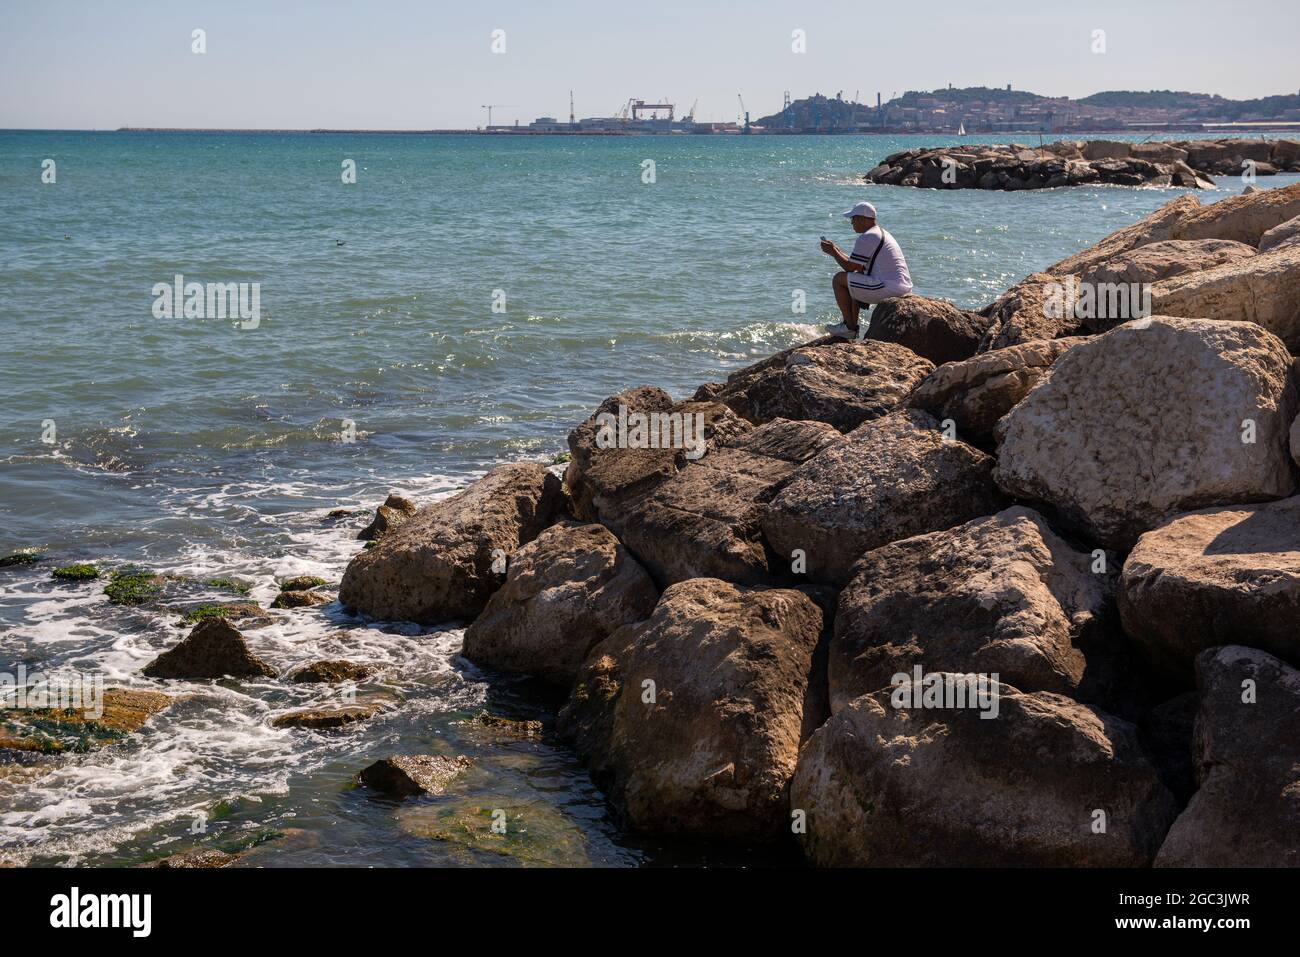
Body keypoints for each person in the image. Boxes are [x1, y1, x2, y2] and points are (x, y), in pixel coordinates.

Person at [820, 201, 913, 339]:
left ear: (862, 219)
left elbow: (848, 267)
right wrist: (837, 250)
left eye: (853, 219)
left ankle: (849, 327)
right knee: (854, 277)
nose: (852, 223)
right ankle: (850, 327)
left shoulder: (868, 237)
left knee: (838, 279)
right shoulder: (879, 233)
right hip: (900, 286)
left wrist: (833, 252)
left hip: (888, 287)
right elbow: (856, 266)